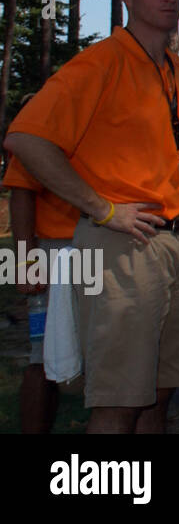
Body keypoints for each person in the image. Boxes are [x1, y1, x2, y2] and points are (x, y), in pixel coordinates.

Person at [4, 0, 179, 434]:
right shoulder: (98, 63)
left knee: (160, 395)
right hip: (124, 245)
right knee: (118, 400)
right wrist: (102, 209)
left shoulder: (178, 70)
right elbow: (24, 140)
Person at [3, 146, 80, 432]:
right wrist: (24, 261)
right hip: (56, 251)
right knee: (42, 357)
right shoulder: (47, 117)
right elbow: (20, 191)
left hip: (107, 244)